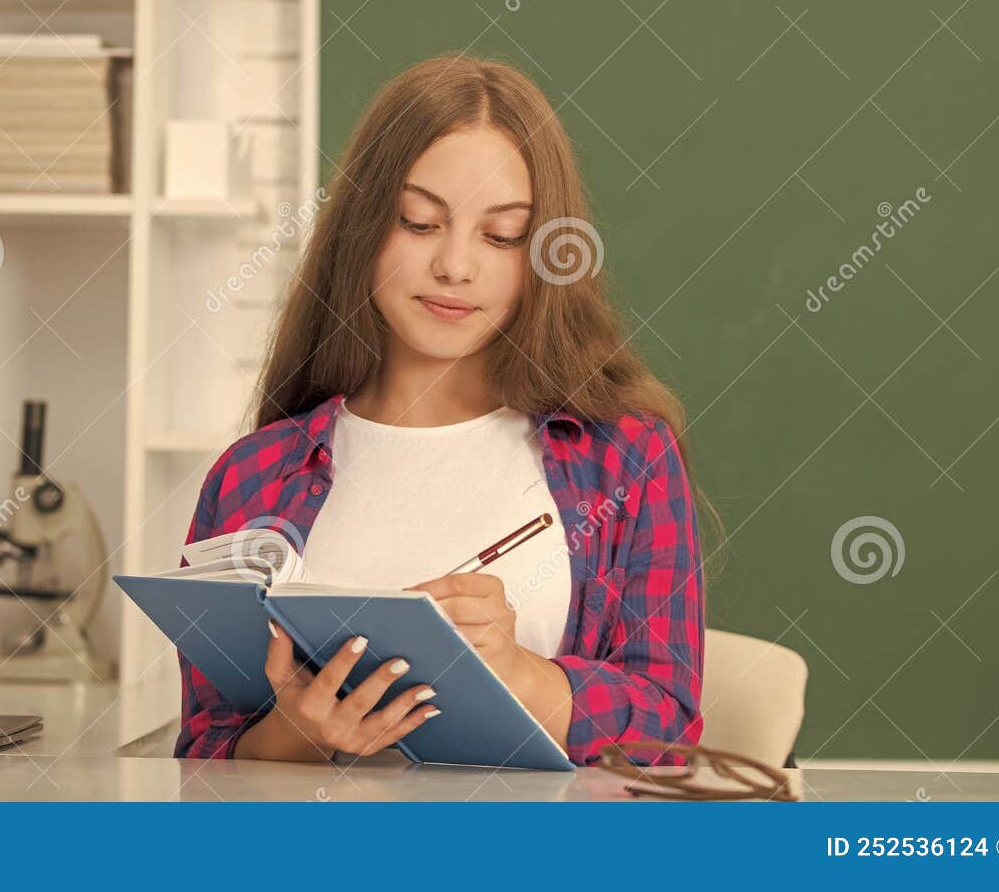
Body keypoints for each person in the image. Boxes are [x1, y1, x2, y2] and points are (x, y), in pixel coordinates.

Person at [177, 53, 706, 766]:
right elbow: (202, 756)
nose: (455, 265)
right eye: (419, 222)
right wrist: (296, 732)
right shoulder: (254, 473)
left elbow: (667, 730)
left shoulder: (626, 455)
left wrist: (521, 672)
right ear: (364, 228)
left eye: (500, 235)